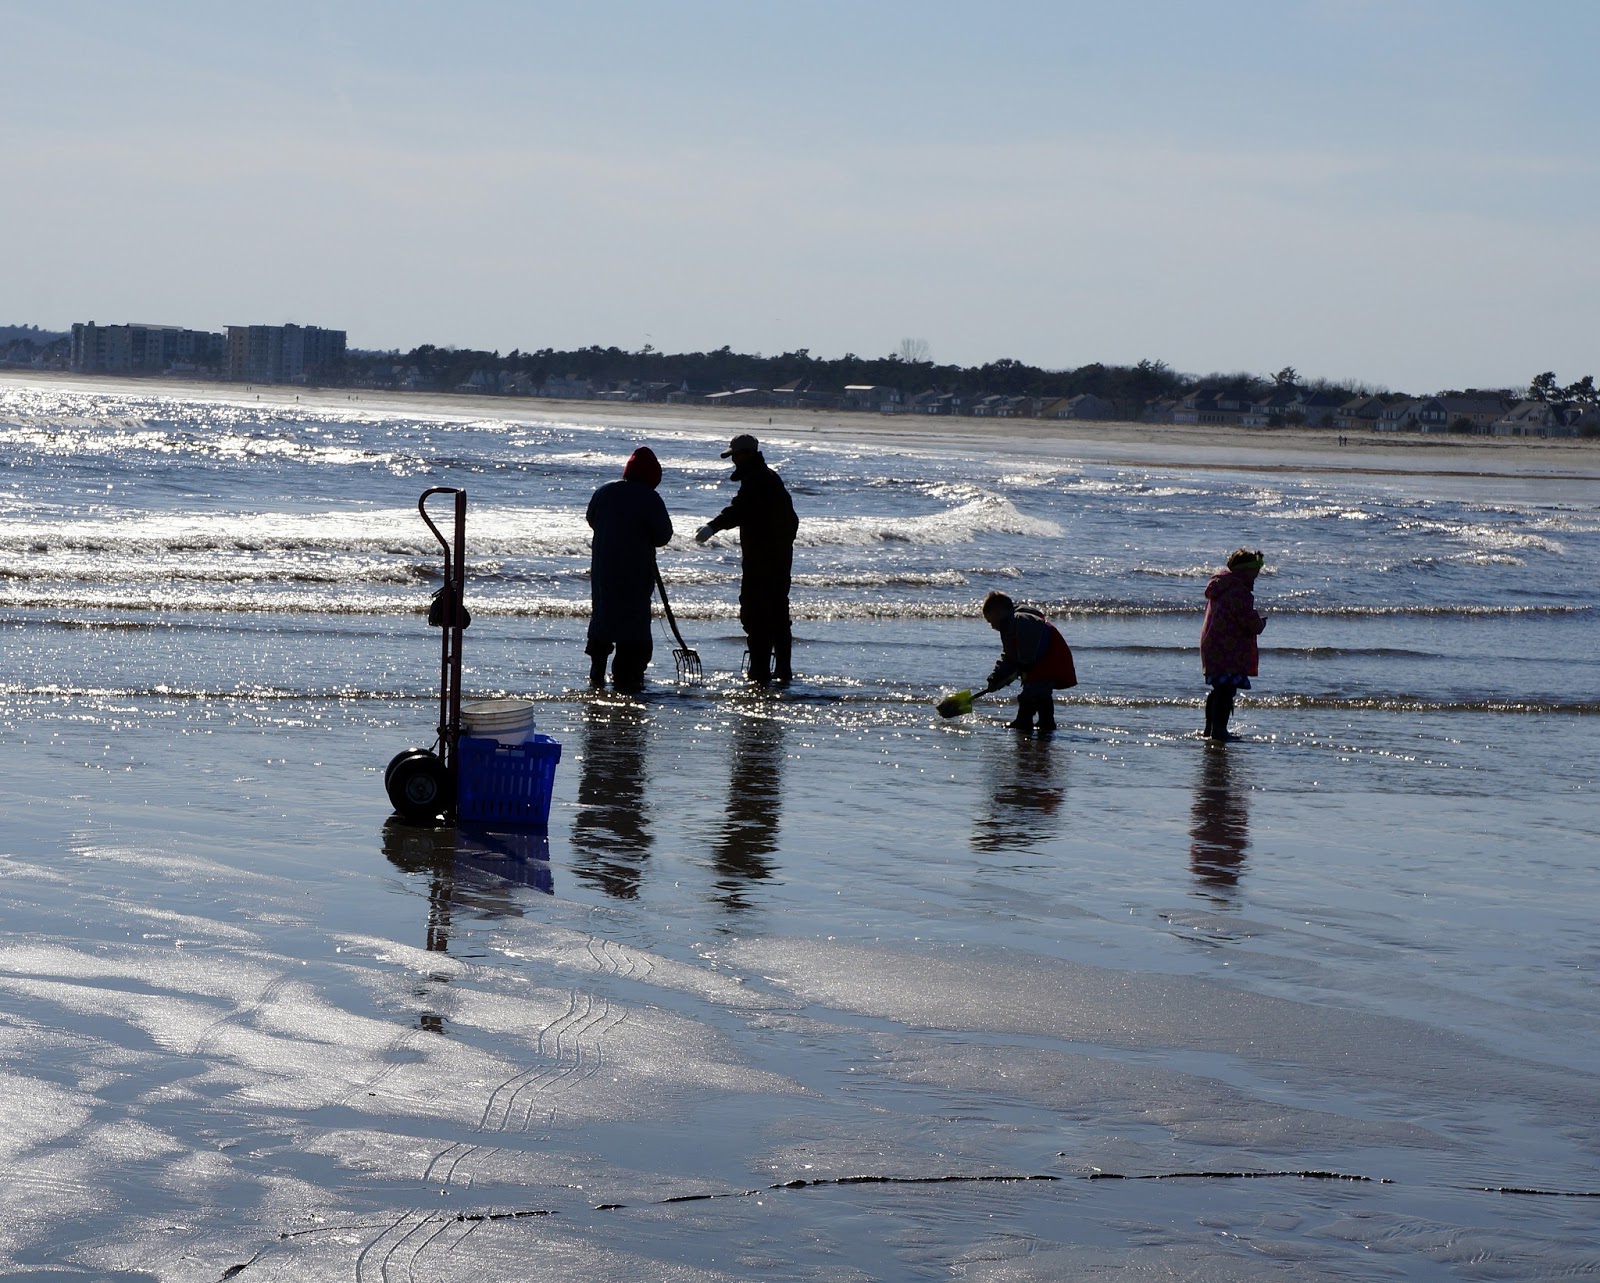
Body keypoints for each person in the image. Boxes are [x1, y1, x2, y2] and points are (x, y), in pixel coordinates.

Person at [694, 434, 799, 684]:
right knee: (777, 615)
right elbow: (791, 521)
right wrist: (782, 547)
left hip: (763, 562)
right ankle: (782, 670)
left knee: (755, 615)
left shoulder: (758, 480)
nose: (733, 461)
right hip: (778, 560)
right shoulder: (769, 478)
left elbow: (741, 510)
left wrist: (713, 526)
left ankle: (760, 672)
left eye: (736, 456)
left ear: (748, 454)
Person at [585, 447, 672, 691]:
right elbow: (663, 535)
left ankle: (597, 679)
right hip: (634, 575)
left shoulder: (603, 492)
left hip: (603, 571)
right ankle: (626, 685)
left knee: (603, 622)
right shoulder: (650, 498)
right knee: (632, 633)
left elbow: (591, 519)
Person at [976, 591, 1077, 734]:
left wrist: (1022, 665)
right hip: (1044, 660)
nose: (991, 626)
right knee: (1041, 694)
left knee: (1031, 692)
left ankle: (1024, 721)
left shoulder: (1020, 620)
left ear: (998, 613)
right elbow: (1009, 656)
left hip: (1049, 658)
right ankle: (1046, 723)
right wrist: (996, 676)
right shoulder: (1009, 626)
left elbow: (1027, 648)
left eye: (990, 621)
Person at [1199, 547, 1268, 742]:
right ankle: (1219, 731)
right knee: (1227, 690)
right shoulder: (1240, 592)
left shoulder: (1220, 585)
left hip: (1212, 645)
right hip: (1229, 648)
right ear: (1244, 572)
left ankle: (1210, 729)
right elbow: (1248, 621)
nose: (1255, 578)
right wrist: (1260, 623)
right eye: (1254, 574)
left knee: (1218, 689)